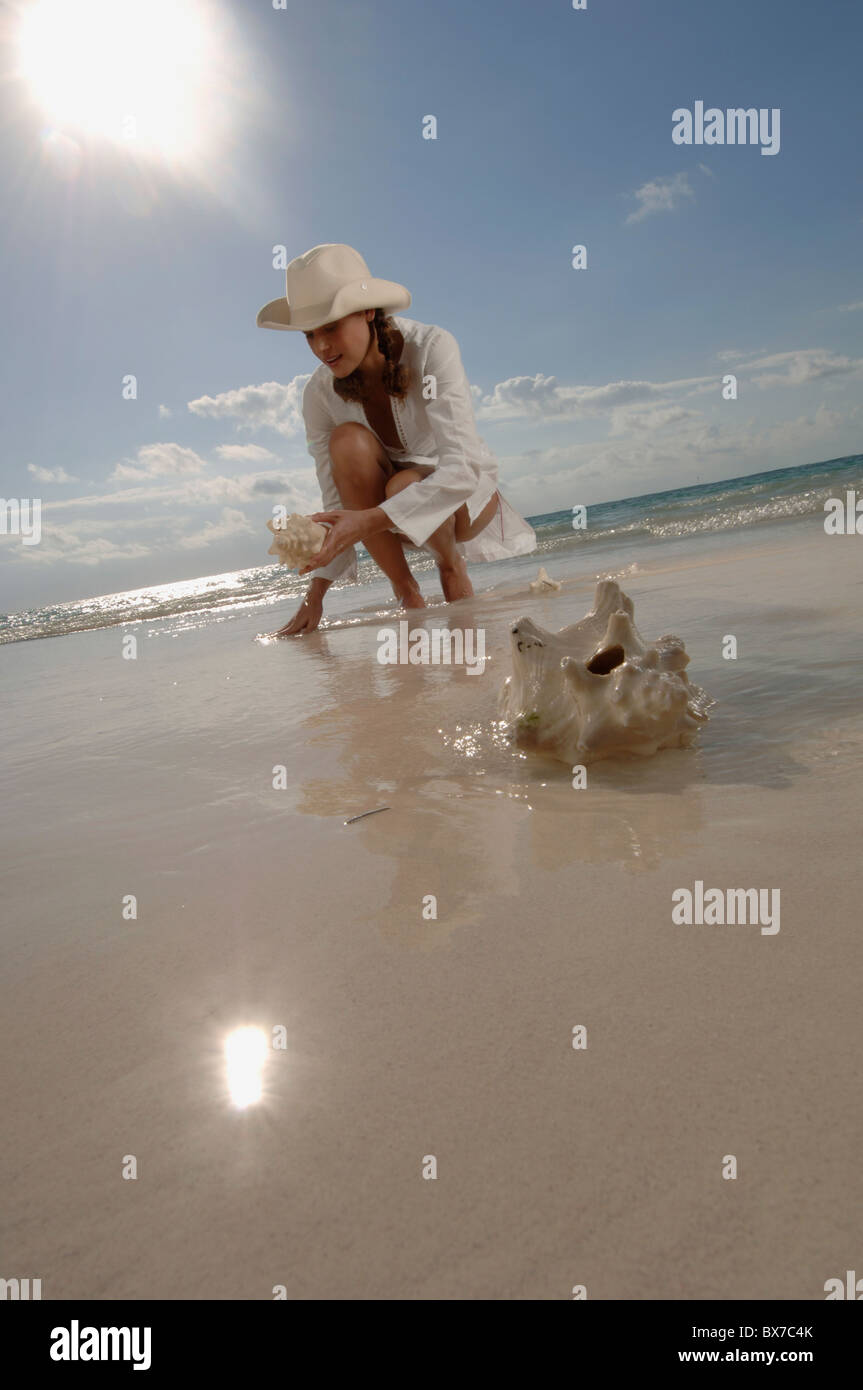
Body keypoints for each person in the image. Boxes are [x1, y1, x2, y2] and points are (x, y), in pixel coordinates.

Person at [256, 243, 537, 635]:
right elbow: (336, 502)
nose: (321, 347)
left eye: (331, 327)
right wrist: (314, 595)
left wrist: (368, 521)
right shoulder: (318, 395)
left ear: (368, 311)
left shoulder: (432, 347)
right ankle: (406, 592)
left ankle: (451, 565)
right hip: (389, 520)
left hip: (464, 500)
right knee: (346, 442)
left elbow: (461, 470)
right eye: (309, 334)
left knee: (403, 484)